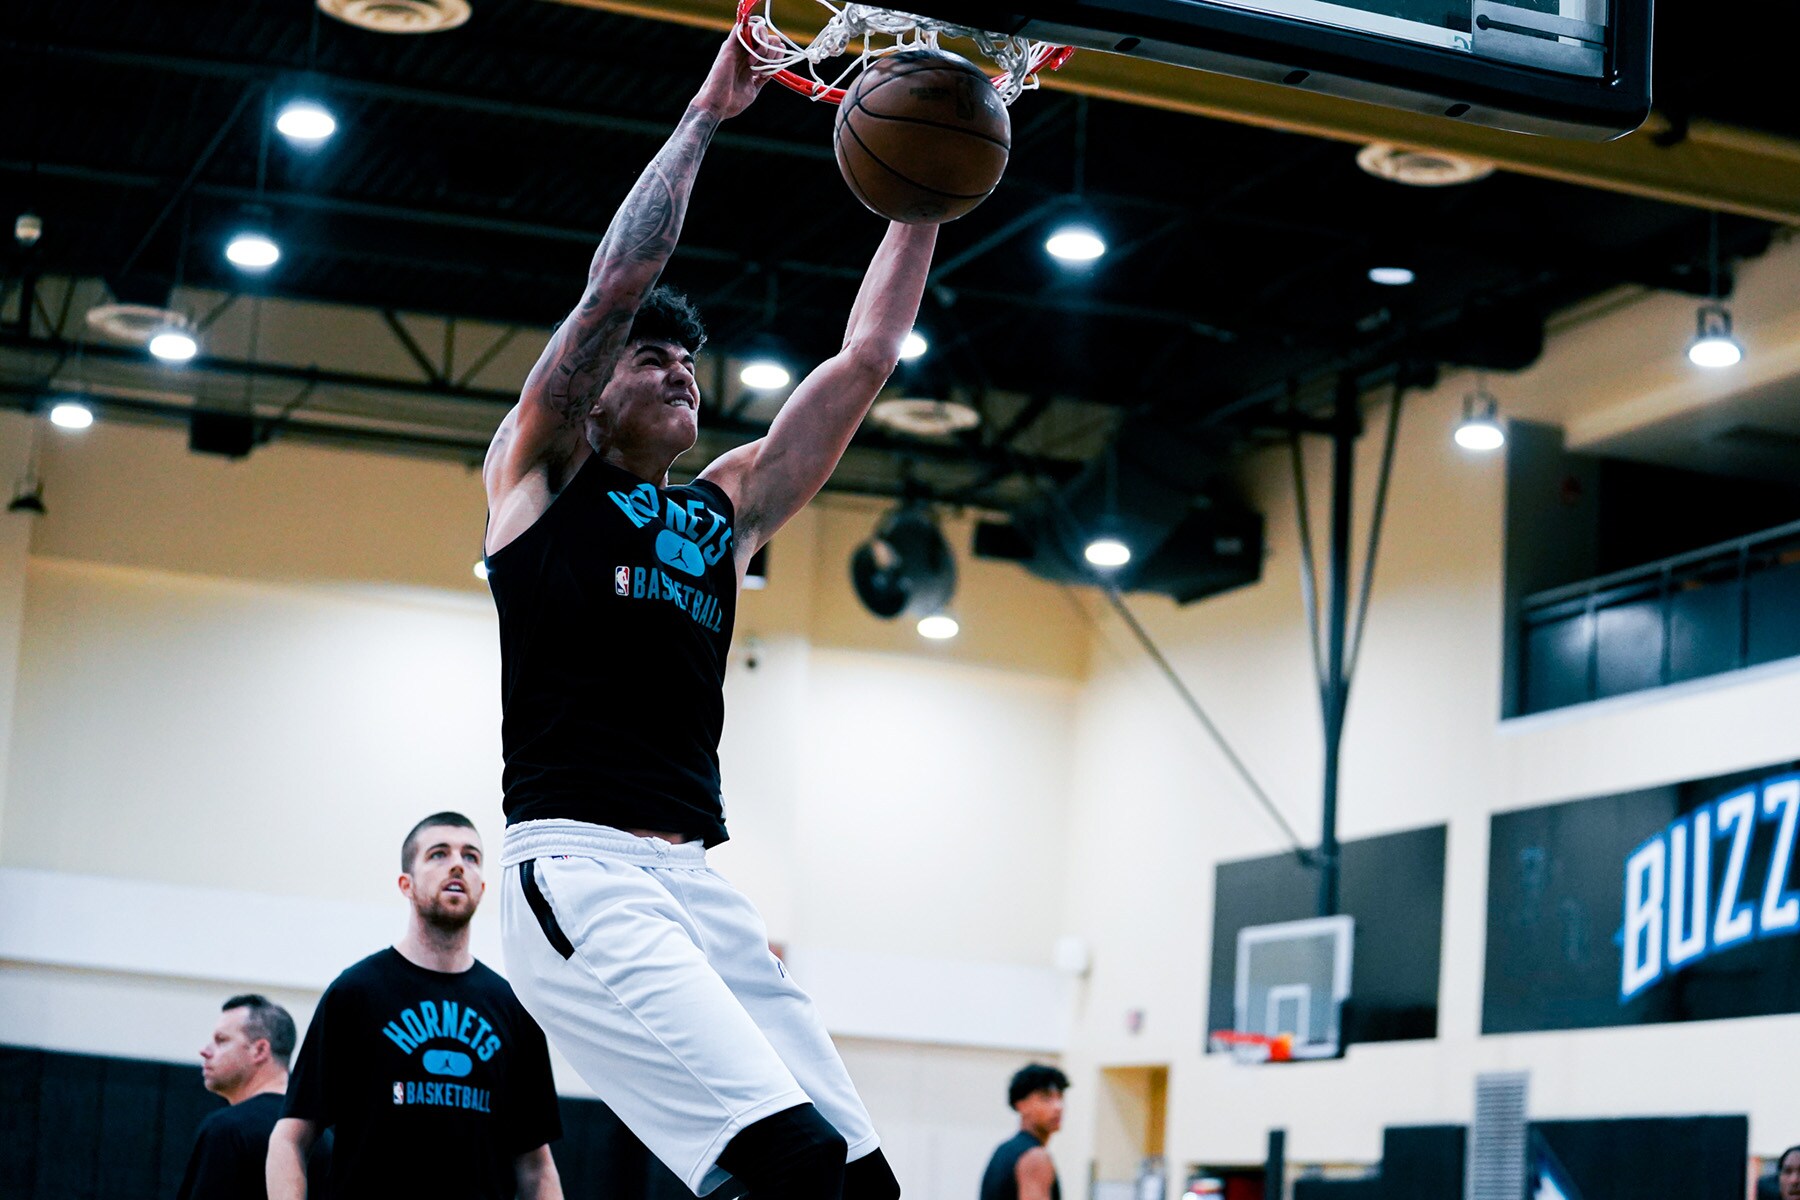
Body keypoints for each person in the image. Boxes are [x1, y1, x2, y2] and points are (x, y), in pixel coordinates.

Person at [480, 21, 936, 1200]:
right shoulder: (540, 479)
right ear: (590, 393)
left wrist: (925, 191)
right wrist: (706, 116)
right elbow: (615, 285)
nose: (678, 367)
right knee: (783, 1160)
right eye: (649, 359)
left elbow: (868, 356)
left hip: (696, 883)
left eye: (688, 361)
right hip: (578, 870)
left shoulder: (722, 511)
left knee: (860, 1182)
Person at [266, 812, 563, 1200]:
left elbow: (537, 1167)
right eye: (439, 854)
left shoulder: (513, 1006)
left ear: (482, 887)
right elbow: (289, 1139)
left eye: (471, 856)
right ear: (405, 884)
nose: (458, 864)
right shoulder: (355, 993)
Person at [174, 994, 296, 1200]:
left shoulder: (227, 1130)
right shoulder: (321, 1135)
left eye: (221, 1040)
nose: (205, 1051)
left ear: (260, 1050)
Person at [979, 1064, 1069, 1200]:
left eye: (1060, 1097)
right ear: (1021, 1104)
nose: (1058, 1107)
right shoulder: (1035, 1157)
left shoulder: (1003, 1150)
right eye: (1046, 1098)